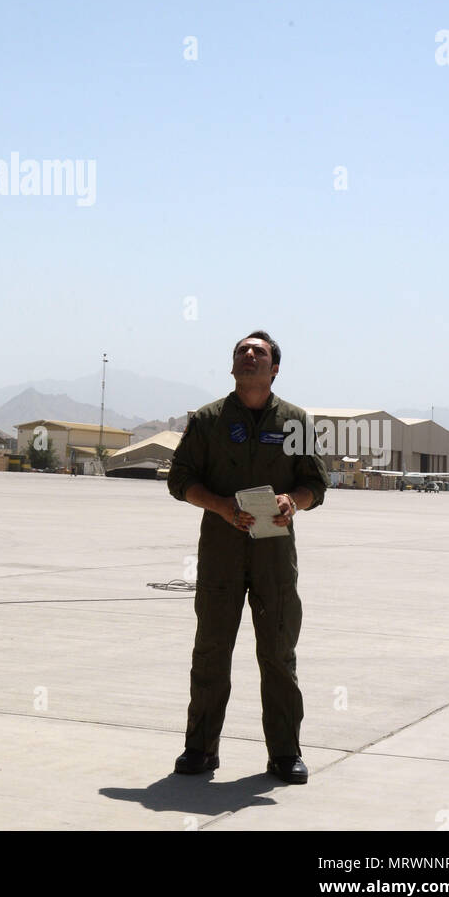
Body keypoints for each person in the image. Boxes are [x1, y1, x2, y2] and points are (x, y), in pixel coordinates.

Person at [167, 332, 328, 785]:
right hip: (221, 550)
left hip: (275, 554)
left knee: (278, 653)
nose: (250, 355)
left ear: (275, 368)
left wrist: (294, 501)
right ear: (233, 366)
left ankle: (284, 754)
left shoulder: (296, 422)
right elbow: (180, 480)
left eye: (259, 351)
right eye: (242, 350)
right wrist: (220, 506)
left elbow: (316, 485)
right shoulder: (208, 420)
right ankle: (199, 749)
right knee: (212, 650)